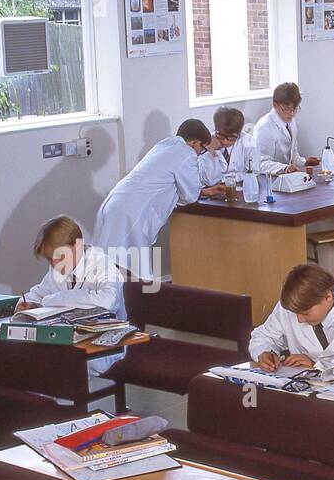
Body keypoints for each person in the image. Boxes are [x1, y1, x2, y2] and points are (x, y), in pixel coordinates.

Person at [93, 118, 216, 281]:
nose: (201, 154)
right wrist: (200, 192)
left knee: (110, 265)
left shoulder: (164, 145)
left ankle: (115, 303)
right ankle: (136, 304)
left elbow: (167, 181)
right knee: (136, 274)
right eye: (203, 149)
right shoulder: (186, 153)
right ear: (194, 143)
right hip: (132, 213)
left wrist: (203, 192)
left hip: (115, 204)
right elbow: (190, 195)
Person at [22, 215, 128, 374]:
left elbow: (108, 301)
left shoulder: (102, 265)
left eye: (58, 257)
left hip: (106, 343)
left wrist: (56, 299)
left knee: (62, 368)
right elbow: (39, 293)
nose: (53, 264)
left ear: (77, 245)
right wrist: (26, 303)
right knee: (34, 359)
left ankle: (55, 398)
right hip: (71, 339)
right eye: (49, 259)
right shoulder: (59, 267)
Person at [249, 263, 334, 374]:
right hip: (301, 389)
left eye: (306, 313)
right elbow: (264, 336)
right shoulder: (289, 308)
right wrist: (264, 352)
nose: (299, 320)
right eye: (296, 313)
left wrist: (317, 365)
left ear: (328, 297)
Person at [254, 82, 321, 175]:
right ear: (275, 105)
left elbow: (293, 156)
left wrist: (304, 162)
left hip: (287, 178)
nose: (291, 113)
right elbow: (260, 164)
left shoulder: (290, 121)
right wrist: (284, 168)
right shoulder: (265, 127)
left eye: (295, 109)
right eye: (286, 109)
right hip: (269, 180)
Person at [197, 106, 253, 189]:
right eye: (221, 136)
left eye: (231, 137)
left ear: (239, 133)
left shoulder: (249, 142)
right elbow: (207, 180)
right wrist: (211, 150)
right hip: (213, 193)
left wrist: (224, 179)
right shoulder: (206, 143)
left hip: (243, 189)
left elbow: (252, 173)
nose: (225, 141)